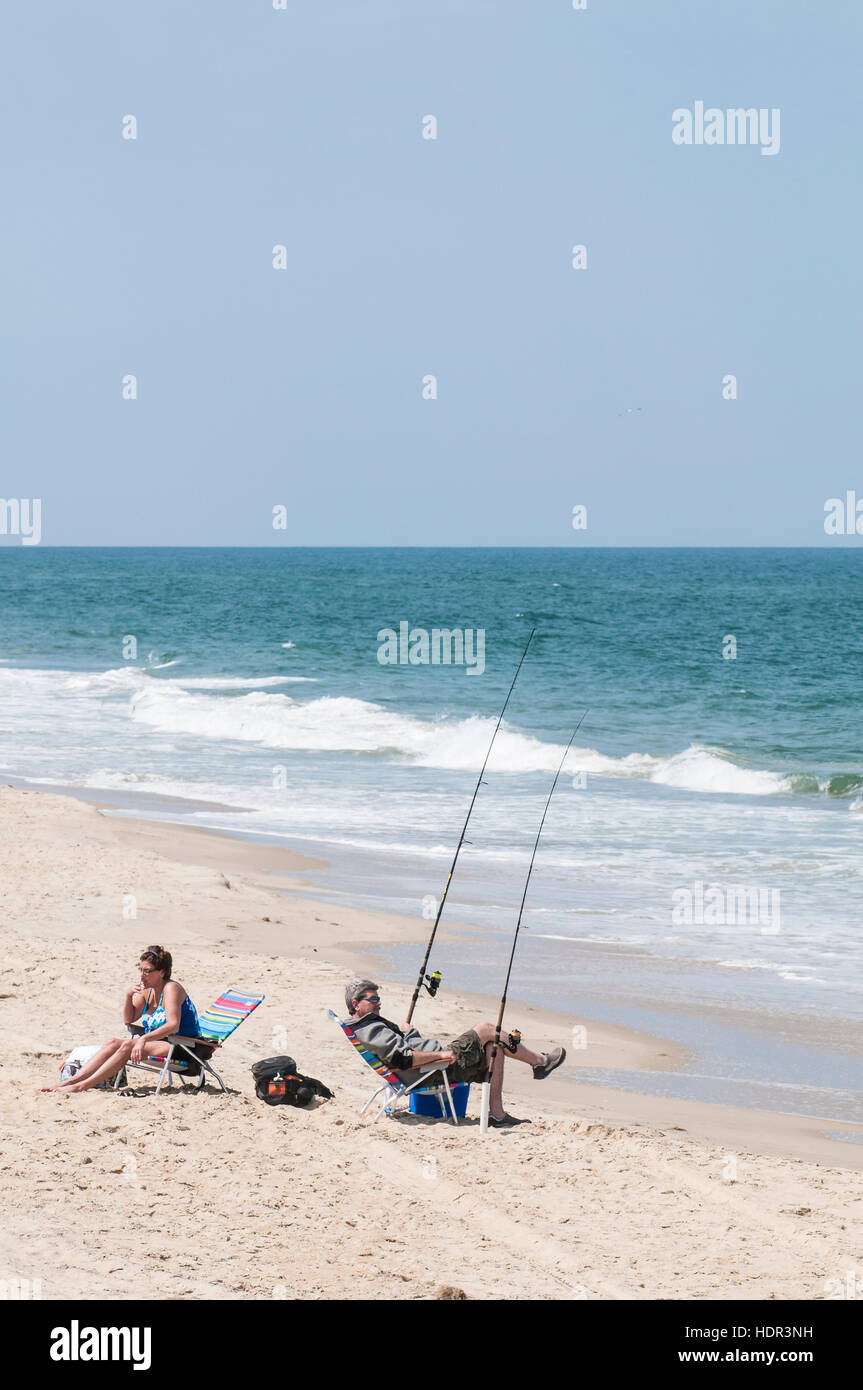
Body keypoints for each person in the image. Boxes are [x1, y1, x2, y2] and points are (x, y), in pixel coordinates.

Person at [344, 978, 565, 1128]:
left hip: (431, 1068)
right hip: (434, 1069)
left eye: (378, 998)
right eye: (373, 999)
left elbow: (401, 1052)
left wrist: (408, 1034)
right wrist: (440, 1056)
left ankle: (497, 1115)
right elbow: (403, 1059)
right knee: (487, 1028)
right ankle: (540, 1062)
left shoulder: (368, 1026)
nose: (378, 1002)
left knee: (494, 1047)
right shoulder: (369, 1029)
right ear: (356, 1004)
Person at [42, 945, 201, 1094]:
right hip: (161, 1042)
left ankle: (81, 1086)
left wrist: (143, 1039)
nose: (142, 975)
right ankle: (69, 1082)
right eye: (141, 970)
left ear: (162, 972)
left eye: (147, 971)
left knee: (126, 1045)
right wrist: (128, 995)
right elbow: (129, 1019)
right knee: (112, 1042)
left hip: (183, 1046)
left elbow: (173, 1025)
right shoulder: (148, 992)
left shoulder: (171, 988)